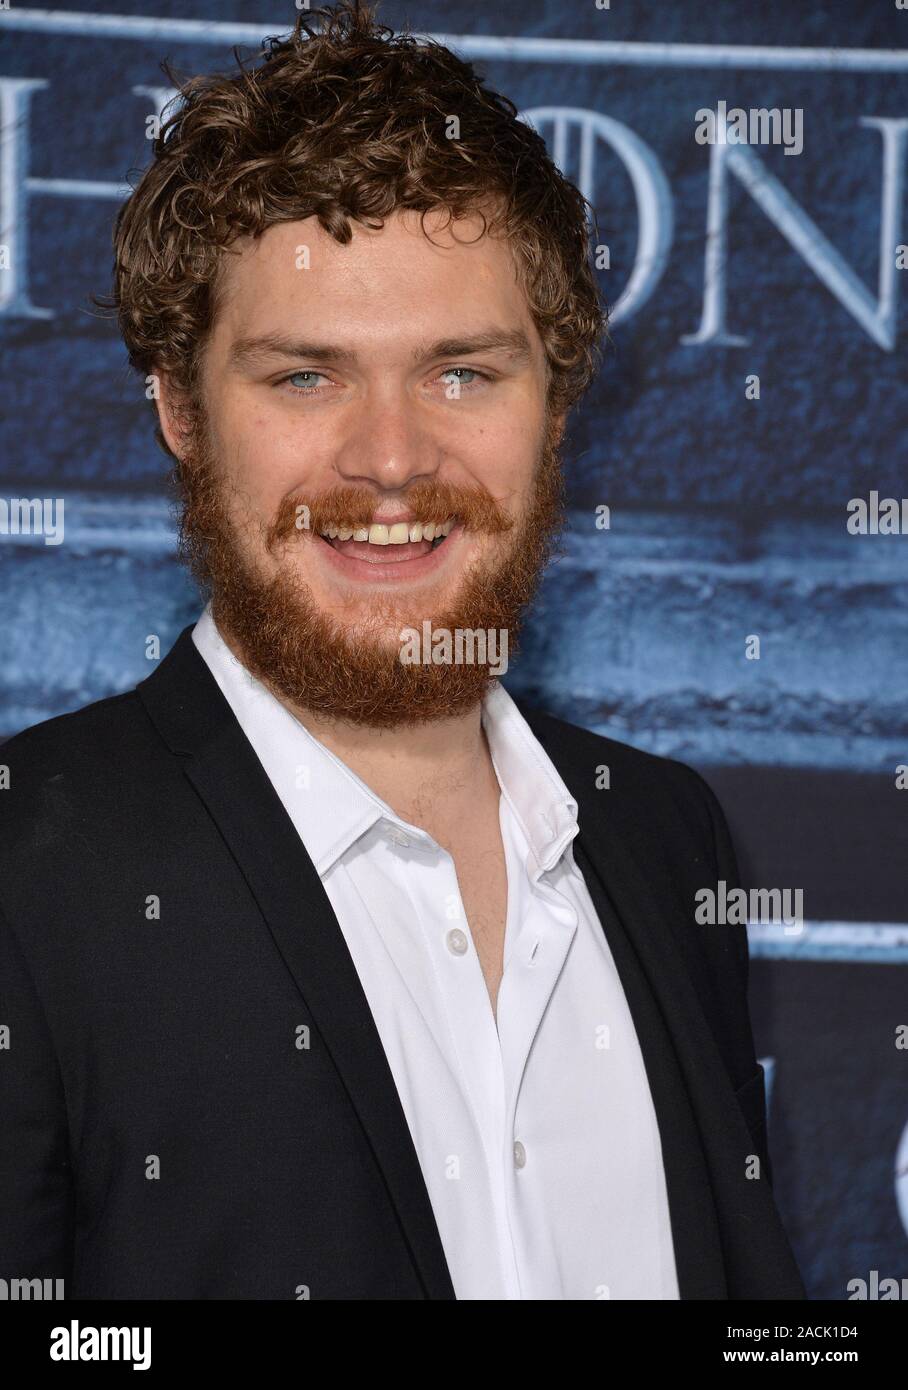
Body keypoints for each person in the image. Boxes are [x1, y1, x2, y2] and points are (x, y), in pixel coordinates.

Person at [0, 1, 804, 1300]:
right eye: (305, 377)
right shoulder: (28, 875)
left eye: (462, 372)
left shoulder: (667, 838)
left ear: (557, 399)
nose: (390, 459)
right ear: (180, 410)